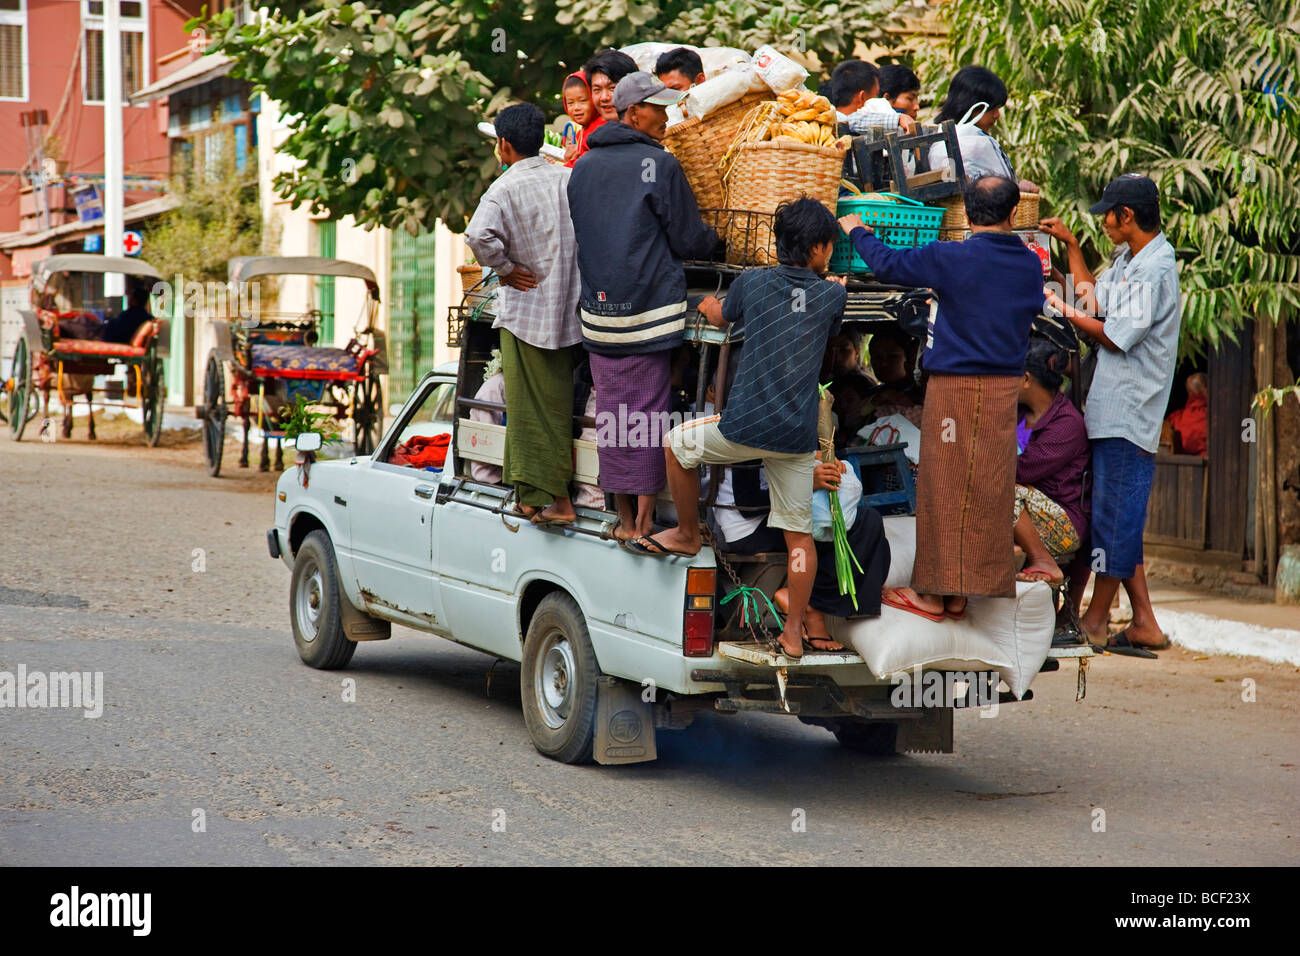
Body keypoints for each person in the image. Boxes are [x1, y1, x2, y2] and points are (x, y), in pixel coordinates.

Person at [635, 198, 848, 662]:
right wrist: (831, 286)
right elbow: (827, 322)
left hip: (744, 427)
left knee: (676, 444)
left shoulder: (752, 283)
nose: (831, 254)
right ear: (815, 249)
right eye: (829, 246)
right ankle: (793, 635)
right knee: (799, 537)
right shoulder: (833, 295)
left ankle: (688, 532)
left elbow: (721, 316)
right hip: (794, 438)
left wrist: (712, 306)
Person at [839, 175, 1042, 621]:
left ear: (966, 215)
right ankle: (962, 593)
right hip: (1003, 391)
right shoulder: (1029, 265)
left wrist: (857, 229)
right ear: (1013, 215)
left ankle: (932, 595)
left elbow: (888, 266)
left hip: (956, 387)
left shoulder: (951, 256)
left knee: (944, 485)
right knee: (988, 486)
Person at [567, 71, 722, 541]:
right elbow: (687, 236)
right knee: (651, 414)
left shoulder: (584, 165)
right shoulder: (659, 163)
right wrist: (717, 242)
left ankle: (621, 516)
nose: (667, 115)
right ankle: (646, 520)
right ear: (635, 113)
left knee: (614, 415)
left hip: (599, 317)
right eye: (659, 108)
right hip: (649, 315)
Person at [1040, 173, 1181, 656]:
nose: (1103, 220)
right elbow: (1093, 302)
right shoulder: (1128, 257)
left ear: (1128, 216)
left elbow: (1115, 334)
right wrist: (1072, 250)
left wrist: (1058, 305)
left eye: (1109, 213)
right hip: (1110, 407)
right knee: (1117, 516)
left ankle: (1096, 621)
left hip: (1129, 411)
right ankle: (1144, 622)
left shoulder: (1157, 269)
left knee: (1114, 521)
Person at [464, 102, 583, 525]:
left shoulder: (504, 188)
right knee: (550, 405)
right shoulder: (567, 177)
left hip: (527, 316)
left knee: (533, 411)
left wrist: (507, 268)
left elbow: (478, 235)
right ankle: (530, 497)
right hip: (571, 313)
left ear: (504, 145)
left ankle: (558, 503)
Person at [1013, 338, 1091, 588]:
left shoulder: (1066, 424)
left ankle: (1042, 559)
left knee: (999, 486)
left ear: (1026, 379)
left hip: (1062, 523)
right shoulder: (1020, 414)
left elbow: (1021, 469)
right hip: (1027, 511)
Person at [928, 65, 1038, 193]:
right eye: (993, 108)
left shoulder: (941, 138)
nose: (997, 115)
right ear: (973, 106)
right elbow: (996, 195)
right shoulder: (975, 145)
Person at [831, 59, 916, 134]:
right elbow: (850, 121)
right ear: (862, 97)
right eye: (876, 95)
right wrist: (898, 119)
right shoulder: (837, 121)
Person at [583, 48, 639, 125]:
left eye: (612, 88)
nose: (604, 97)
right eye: (597, 90)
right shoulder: (598, 135)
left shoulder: (654, 132)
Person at [561, 71, 601, 167]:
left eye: (583, 101)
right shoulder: (581, 133)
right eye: (570, 103)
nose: (576, 108)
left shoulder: (599, 130)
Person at [1167, 372, 1208, 456]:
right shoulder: (1214, 417)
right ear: (1206, 390)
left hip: (1177, 466)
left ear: (1189, 392)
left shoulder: (1175, 418)